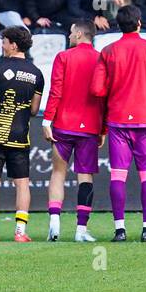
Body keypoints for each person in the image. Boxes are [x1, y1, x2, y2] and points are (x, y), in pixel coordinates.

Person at [90, 6, 146, 242]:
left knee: (118, 175)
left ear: (118, 24)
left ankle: (120, 230)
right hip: (145, 119)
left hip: (117, 120)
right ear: (139, 22)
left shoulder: (108, 51)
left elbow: (97, 89)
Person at [0, 26, 45, 243]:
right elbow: (34, 110)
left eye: (4, 41)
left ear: (14, 44)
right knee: (23, 183)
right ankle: (20, 233)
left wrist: (1, 105)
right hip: (19, 136)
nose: (2, 45)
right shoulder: (36, 74)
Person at [42, 20, 106, 242]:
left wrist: (46, 120)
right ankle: (80, 230)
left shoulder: (64, 57)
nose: (69, 36)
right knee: (84, 176)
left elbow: (56, 91)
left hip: (63, 125)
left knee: (58, 173)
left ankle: (54, 223)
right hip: (89, 127)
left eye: (71, 33)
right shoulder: (101, 58)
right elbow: (103, 96)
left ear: (79, 34)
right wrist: (103, 129)